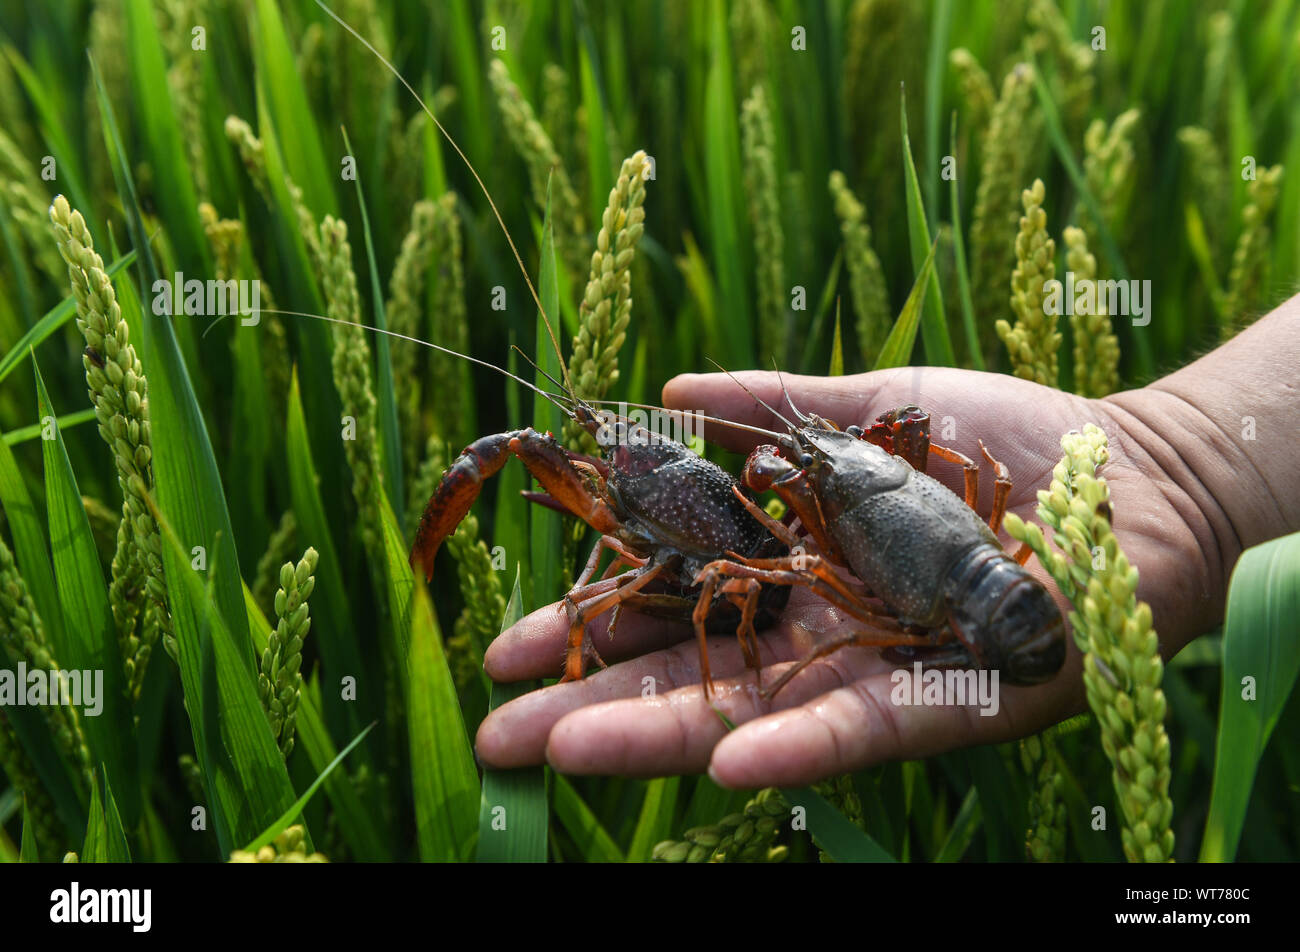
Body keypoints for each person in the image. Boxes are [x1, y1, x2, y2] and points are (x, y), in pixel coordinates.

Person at [474, 295, 1299, 788]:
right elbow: (961, 477)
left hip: (981, 620)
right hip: (989, 580)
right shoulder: (919, 481)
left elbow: (813, 557)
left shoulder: (811, 540)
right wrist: (1186, 467)